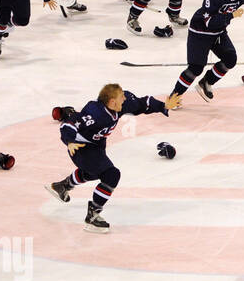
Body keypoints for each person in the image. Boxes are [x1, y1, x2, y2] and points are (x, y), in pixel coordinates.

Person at [46, 83, 181, 233]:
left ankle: (63, 186)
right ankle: (93, 216)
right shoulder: (95, 113)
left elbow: (142, 103)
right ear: (112, 102)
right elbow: (69, 125)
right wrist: (70, 141)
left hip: (96, 146)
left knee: (93, 172)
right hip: (81, 148)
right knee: (111, 175)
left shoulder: (119, 104)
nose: (125, 98)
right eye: (121, 97)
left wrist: (164, 105)